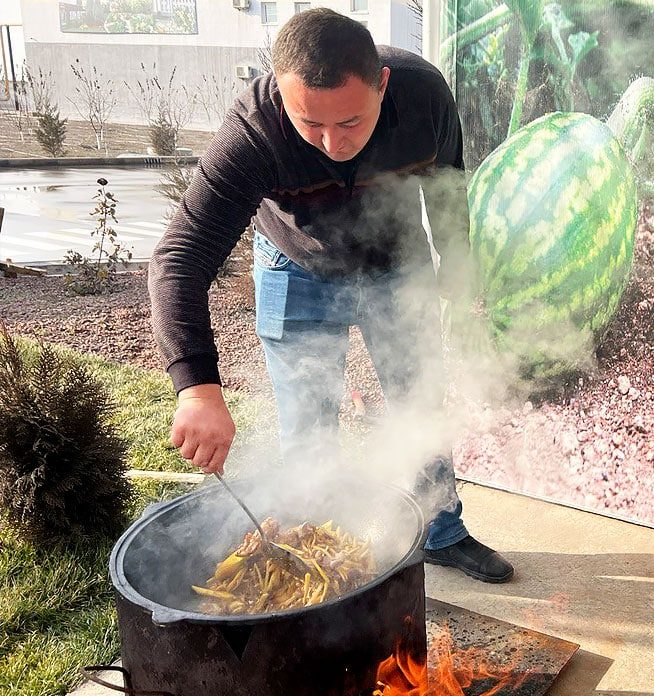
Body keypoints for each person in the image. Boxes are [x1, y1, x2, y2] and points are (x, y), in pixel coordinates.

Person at [148, 8, 513, 583]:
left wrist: (455, 266)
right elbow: (179, 257)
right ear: (282, 98)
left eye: (349, 122)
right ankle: (323, 559)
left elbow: (449, 185)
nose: (330, 143)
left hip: (396, 264)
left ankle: (441, 533)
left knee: (420, 403)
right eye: (310, 124)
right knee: (308, 428)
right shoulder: (255, 130)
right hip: (295, 265)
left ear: (382, 85)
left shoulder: (423, 96)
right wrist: (196, 389)